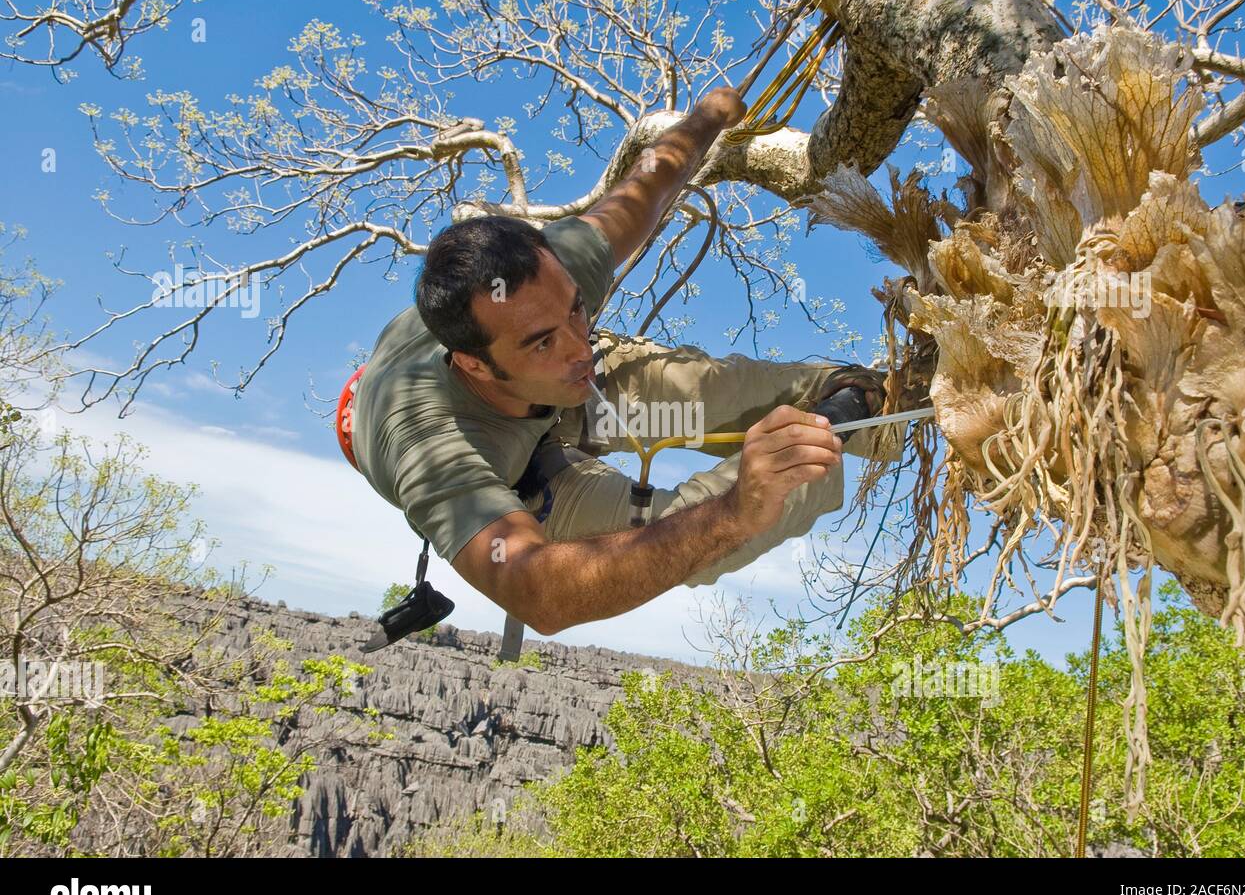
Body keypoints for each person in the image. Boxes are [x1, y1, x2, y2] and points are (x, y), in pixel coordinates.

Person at [351, 86, 883, 638]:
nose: (579, 346)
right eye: (542, 341)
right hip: (520, 473)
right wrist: (736, 512)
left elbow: (649, 182)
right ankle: (762, 491)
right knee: (700, 532)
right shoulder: (433, 446)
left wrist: (706, 117)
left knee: (767, 392)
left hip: (559, 398)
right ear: (475, 365)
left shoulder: (544, 276)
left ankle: (911, 402)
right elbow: (540, 592)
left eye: (576, 310)